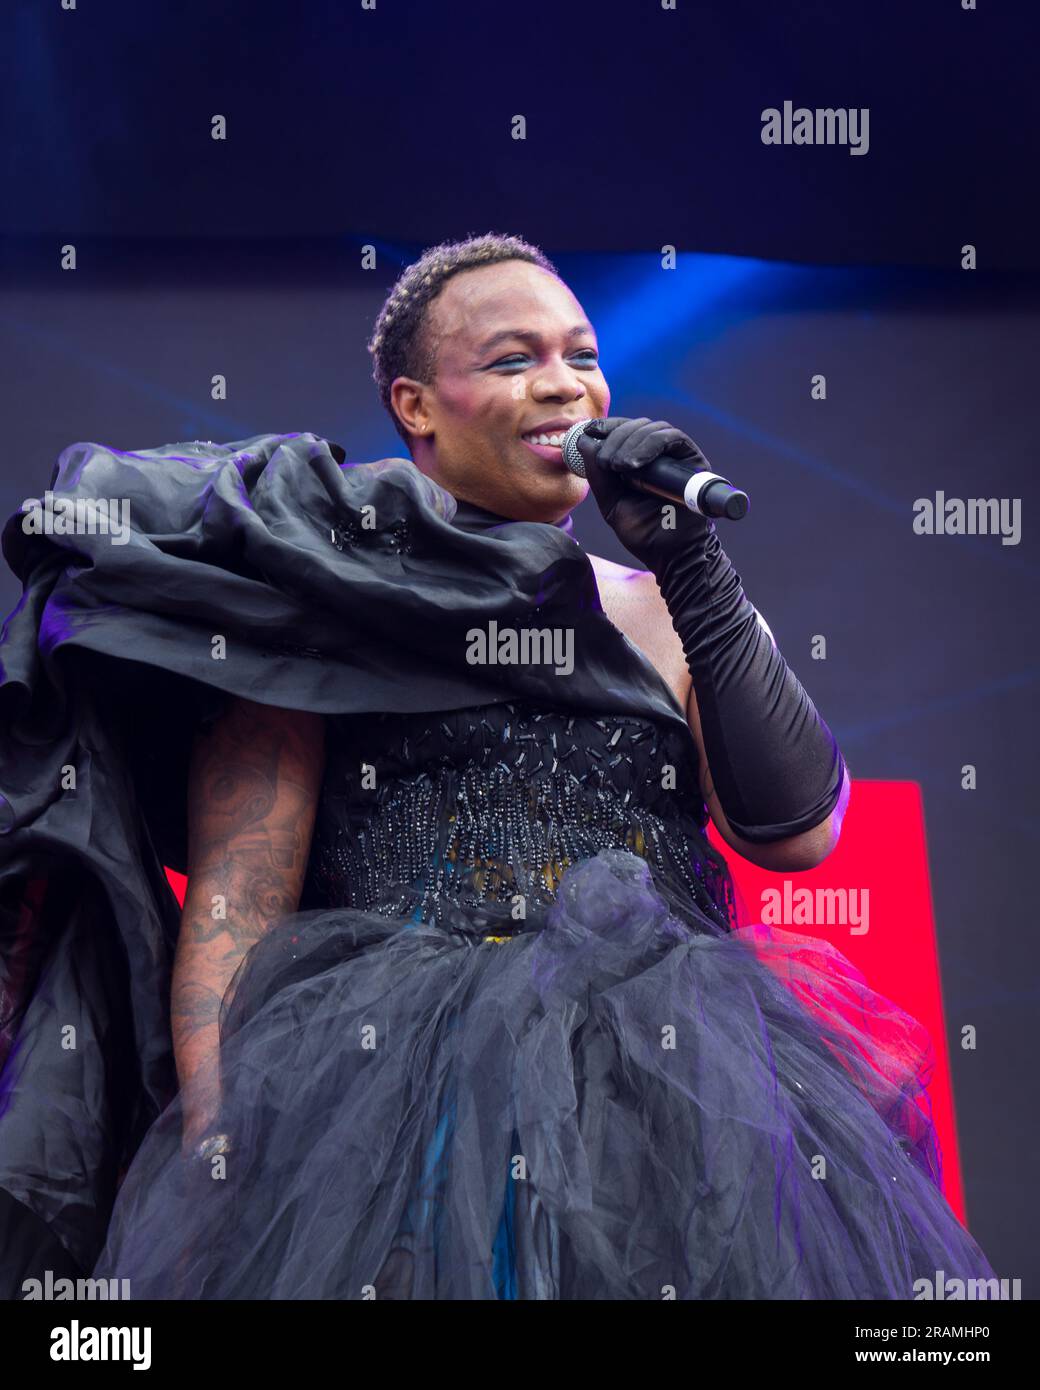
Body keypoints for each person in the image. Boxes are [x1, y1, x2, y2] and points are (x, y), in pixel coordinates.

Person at [0, 233, 995, 1299]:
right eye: (514, 359)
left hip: (670, 1109)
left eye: (580, 352)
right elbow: (239, 904)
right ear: (416, 404)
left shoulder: (666, 603)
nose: (563, 382)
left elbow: (798, 832)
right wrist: (221, 1151)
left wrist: (690, 566)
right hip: (391, 1111)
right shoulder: (319, 597)